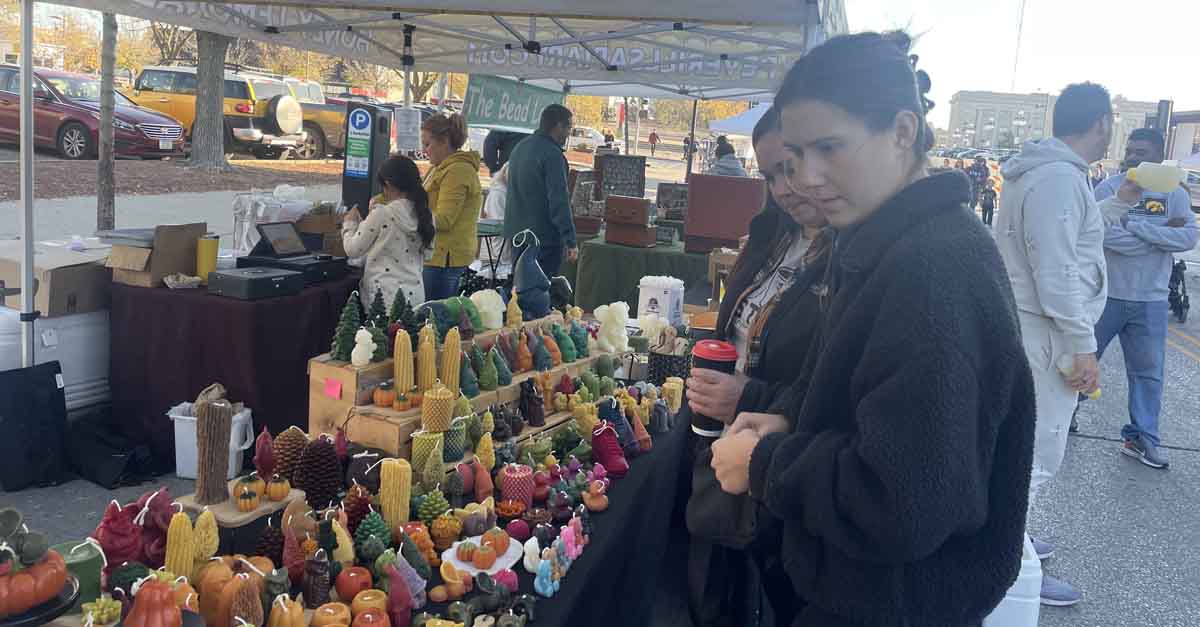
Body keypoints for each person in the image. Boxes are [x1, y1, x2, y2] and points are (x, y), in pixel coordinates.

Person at [709, 31, 1036, 627]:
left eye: (829, 147)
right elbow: (861, 400)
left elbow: (901, 500)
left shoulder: (935, 268)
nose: (807, 177)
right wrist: (785, 415)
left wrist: (766, 464)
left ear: (903, 132)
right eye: (795, 155)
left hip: (890, 604)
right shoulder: (880, 243)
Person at [685, 106, 831, 627]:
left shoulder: (853, 258)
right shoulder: (773, 235)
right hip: (725, 439)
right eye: (769, 175)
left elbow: (829, 389)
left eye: (789, 167)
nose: (784, 187)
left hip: (779, 464)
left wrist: (749, 397)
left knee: (770, 593)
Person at [995, 81, 1129, 607]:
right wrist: (1084, 346)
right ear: (1100, 123)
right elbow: (1055, 269)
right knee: (1033, 454)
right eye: (1110, 123)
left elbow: (1077, 238)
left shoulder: (1056, 175)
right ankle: (1009, 567)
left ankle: (1015, 540)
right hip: (1046, 335)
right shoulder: (1055, 178)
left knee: (1026, 447)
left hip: (1040, 330)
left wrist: (1119, 203)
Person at [1092, 128, 1199, 468]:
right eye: (1131, 149)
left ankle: (1141, 439)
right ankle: (1063, 418)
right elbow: (1102, 236)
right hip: (1106, 295)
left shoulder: (1174, 192)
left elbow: (1188, 238)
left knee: (1148, 375)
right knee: (1079, 363)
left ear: (1158, 153)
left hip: (1151, 300)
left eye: (1143, 150)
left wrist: (1135, 227)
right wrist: (1161, 235)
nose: (1134, 155)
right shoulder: (1109, 188)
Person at [342, 155, 436, 311]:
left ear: (387, 184)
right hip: (416, 297)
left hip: (383, 299)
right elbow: (428, 254)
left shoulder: (382, 214)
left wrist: (350, 224)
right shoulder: (427, 215)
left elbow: (353, 249)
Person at [504, 104, 577, 276]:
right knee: (539, 293)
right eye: (569, 128)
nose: (568, 134)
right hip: (542, 239)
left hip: (516, 234)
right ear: (559, 126)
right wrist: (570, 240)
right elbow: (559, 200)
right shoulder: (552, 155)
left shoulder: (520, 148)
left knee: (520, 291)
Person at [421, 113, 482, 300]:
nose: (424, 150)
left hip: (445, 258)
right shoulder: (438, 168)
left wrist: (408, 215)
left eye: (427, 144)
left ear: (444, 141)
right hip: (435, 254)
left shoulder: (458, 171)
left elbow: (445, 220)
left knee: (435, 317)